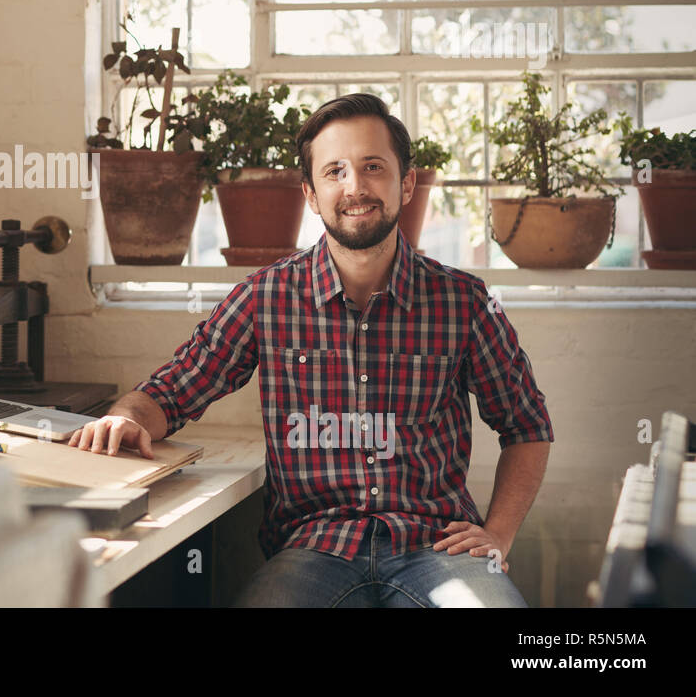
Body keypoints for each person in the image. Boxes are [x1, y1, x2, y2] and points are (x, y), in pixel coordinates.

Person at [67, 93, 553, 607]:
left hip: (438, 548)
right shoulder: (265, 297)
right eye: (335, 171)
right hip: (312, 550)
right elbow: (169, 393)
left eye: (373, 167)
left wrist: (498, 533)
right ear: (311, 194)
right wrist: (126, 418)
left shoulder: (465, 301)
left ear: (406, 182)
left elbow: (527, 426)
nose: (355, 187)